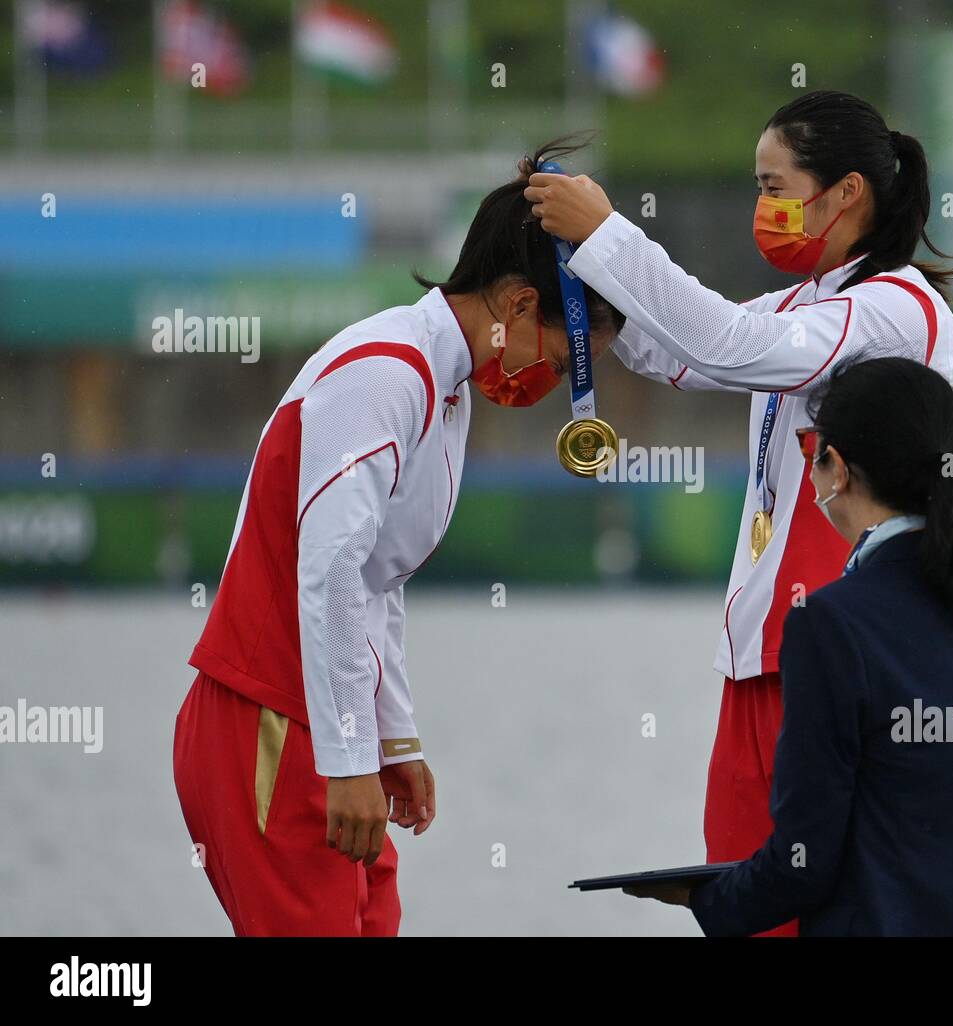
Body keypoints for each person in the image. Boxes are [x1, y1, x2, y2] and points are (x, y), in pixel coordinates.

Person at [526, 90, 953, 935]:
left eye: (775, 185)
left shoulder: (898, 307)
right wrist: (574, 271)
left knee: (831, 913)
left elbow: (730, 343)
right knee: (750, 919)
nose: (761, 208)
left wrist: (610, 233)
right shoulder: (802, 307)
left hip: (847, 665)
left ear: (846, 195)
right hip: (758, 665)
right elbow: (678, 355)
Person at [172, 141, 625, 936]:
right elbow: (333, 571)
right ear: (518, 305)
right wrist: (349, 760)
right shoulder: (384, 375)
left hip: (320, 725)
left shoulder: (444, 388)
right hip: (269, 721)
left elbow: (378, 585)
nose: (547, 383)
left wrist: (393, 738)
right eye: (557, 360)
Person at [625, 358, 953, 936]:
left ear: (836, 469)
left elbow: (802, 861)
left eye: (812, 456)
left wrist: (704, 899)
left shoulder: (828, 626)